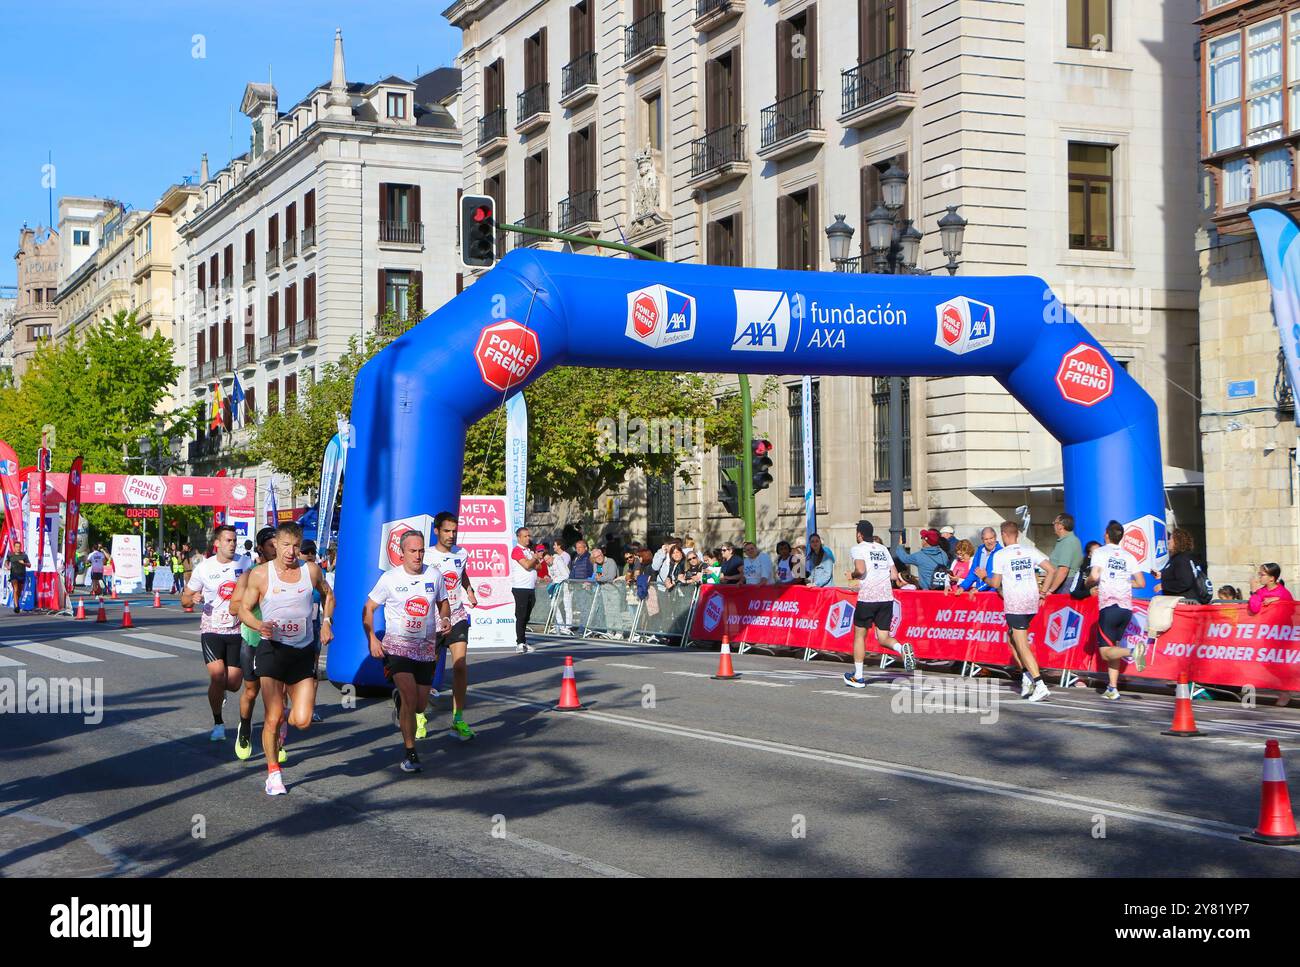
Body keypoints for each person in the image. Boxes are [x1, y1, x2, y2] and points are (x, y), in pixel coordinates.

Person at [237, 522, 335, 795]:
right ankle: (273, 774)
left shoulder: (311, 570)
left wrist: (327, 621)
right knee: (273, 715)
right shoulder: (260, 575)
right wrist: (258, 626)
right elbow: (244, 610)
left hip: (302, 652)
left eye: (295, 546)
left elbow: (329, 595)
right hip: (272, 650)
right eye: (285, 546)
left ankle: (283, 730)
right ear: (276, 546)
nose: (291, 552)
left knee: (302, 720)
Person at [364, 529, 450, 773]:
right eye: (412, 551)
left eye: (421, 550)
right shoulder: (390, 579)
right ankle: (410, 752)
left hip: (425, 648)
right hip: (397, 647)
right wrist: (371, 637)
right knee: (411, 699)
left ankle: (400, 701)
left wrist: (445, 619)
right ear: (401, 553)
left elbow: (443, 603)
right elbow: (369, 608)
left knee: (420, 706)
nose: (418, 555)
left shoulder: (434, 575)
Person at [182, 525, 247, 741]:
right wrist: (193, 599)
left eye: (234, 540)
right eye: (228, 540)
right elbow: (185, 597)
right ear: (217, 543)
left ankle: (222, 691)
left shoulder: (245, 563)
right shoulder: (204, 568)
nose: (232, 544)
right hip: (212, 628)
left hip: (237, 629)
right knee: (218, 676)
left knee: (234, 683)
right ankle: (218, 722)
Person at [990, 519, 1058, 703]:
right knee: (1010, 638)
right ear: (1017, 534)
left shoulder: (1001, 555)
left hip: (1016, 603)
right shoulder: (1029, 550)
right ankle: (1027, 676)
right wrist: (1043, 592)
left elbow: (995, 584)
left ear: (1004, 535)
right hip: (1031, 601)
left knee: (1021, 644)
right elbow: (1051, 570)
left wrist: (983, 577)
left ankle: (1039, 684)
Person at [425, 511, 478, 741]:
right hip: (432, 618)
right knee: (427, 670)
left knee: (460, 666)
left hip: (456, 615)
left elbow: (461, 573)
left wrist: (469, 590)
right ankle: (418, 716)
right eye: (447, 531)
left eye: (454, 531)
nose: (451, 535)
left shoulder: (461, 553)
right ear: (437, 531)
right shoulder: (426, 556)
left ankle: (458, 718)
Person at [229, 527, 279, 761]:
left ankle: (277, 741)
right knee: (252, 691)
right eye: (272, 545)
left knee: (277, 694)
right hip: (253, 640)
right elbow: (233, 607)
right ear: (261, 548)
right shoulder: (249, 576)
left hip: (280, 642)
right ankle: (245, 727)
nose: (277, 549)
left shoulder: (290, 574)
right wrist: (252, 604)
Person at [844, 520, 914, 689]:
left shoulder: (858, 548)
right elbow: (894, 575)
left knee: (860, 636)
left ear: (859, 534)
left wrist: (851, 575)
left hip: (868, 598)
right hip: (886, 598)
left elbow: (860, 570)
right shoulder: (882, 549)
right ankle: (901, 647)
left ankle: (858, 677)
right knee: (883, 638)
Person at [1088, 520, 1147, 699]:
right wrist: (1124, 581)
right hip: (1125, 609)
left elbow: (1094, 576)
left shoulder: (1100, 552)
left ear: (1106, 534)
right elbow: (1141, 583)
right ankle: (1112, 688)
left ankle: (1133, 652)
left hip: (1109, 605)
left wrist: (1088, 582)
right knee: (1113, 647)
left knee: (1105, 653)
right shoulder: (1128, 556)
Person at [1154, 527, 1208, 603]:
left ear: (1178, 542)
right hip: (1178, 602)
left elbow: (1185, 582)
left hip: (1184, 603)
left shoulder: (1182, 559)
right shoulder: (1178, 558)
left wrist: (1163, 586)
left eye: (1171, 539)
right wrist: (1161, 575)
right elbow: (1176, 574)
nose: (1168, 542)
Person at [510, 526, 540, 653]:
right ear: (519, 537)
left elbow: (537, 566)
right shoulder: (517, 550)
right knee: (521, 616)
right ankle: (520, 643)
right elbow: (527, 565)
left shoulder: (529, 551)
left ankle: (524, 641)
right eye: (525, 536)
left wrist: (534, 558)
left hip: (530, 587)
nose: (528, 538)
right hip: (520, 588)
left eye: (529, 536)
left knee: (526, 616)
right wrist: (534, 558)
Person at [1045, 513, 1084, 597]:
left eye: (1055, 523)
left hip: (1064, 585)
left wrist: (1051, 590)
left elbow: (1063, 570)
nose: (1053, 525)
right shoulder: (1065, 541)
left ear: (1061, 526)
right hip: (1061, 584)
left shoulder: (1068, 542)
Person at [958, 528, 1001, 594]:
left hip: (993, 594)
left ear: (995, 537)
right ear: (982, 540)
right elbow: (973, 571)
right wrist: (963, 587)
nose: (989, 542)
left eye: (991, 538)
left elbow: (994, 578)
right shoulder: (980, 550)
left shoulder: (1000, 553)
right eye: (986, 539)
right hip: (979, 593)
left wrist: (979, 589)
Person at [547, 539, 573, 635]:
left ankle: (568, 626)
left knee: (567, 605)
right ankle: (560, 624)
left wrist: (556, 579)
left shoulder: (563, 557)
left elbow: (565, 573)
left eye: (555, 545)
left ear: (559, 546)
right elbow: (553, 573)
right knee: (554, 604)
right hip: (558, 585)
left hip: (565, 585)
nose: (553, 547)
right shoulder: (550, 561)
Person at [7, 546, 30, 614]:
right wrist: (7, 566)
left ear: (20, 548)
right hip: (14, 575)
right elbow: (6, 562)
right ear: (14, 548)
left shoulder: (24, 556)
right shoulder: (10, 555)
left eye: (19, 547)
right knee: (16, 589)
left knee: (19, 591)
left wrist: (23, 563)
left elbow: (29, 565)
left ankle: (16, 602)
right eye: (16, 547)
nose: (18, 548)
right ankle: (16, 606)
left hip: (22, 575)